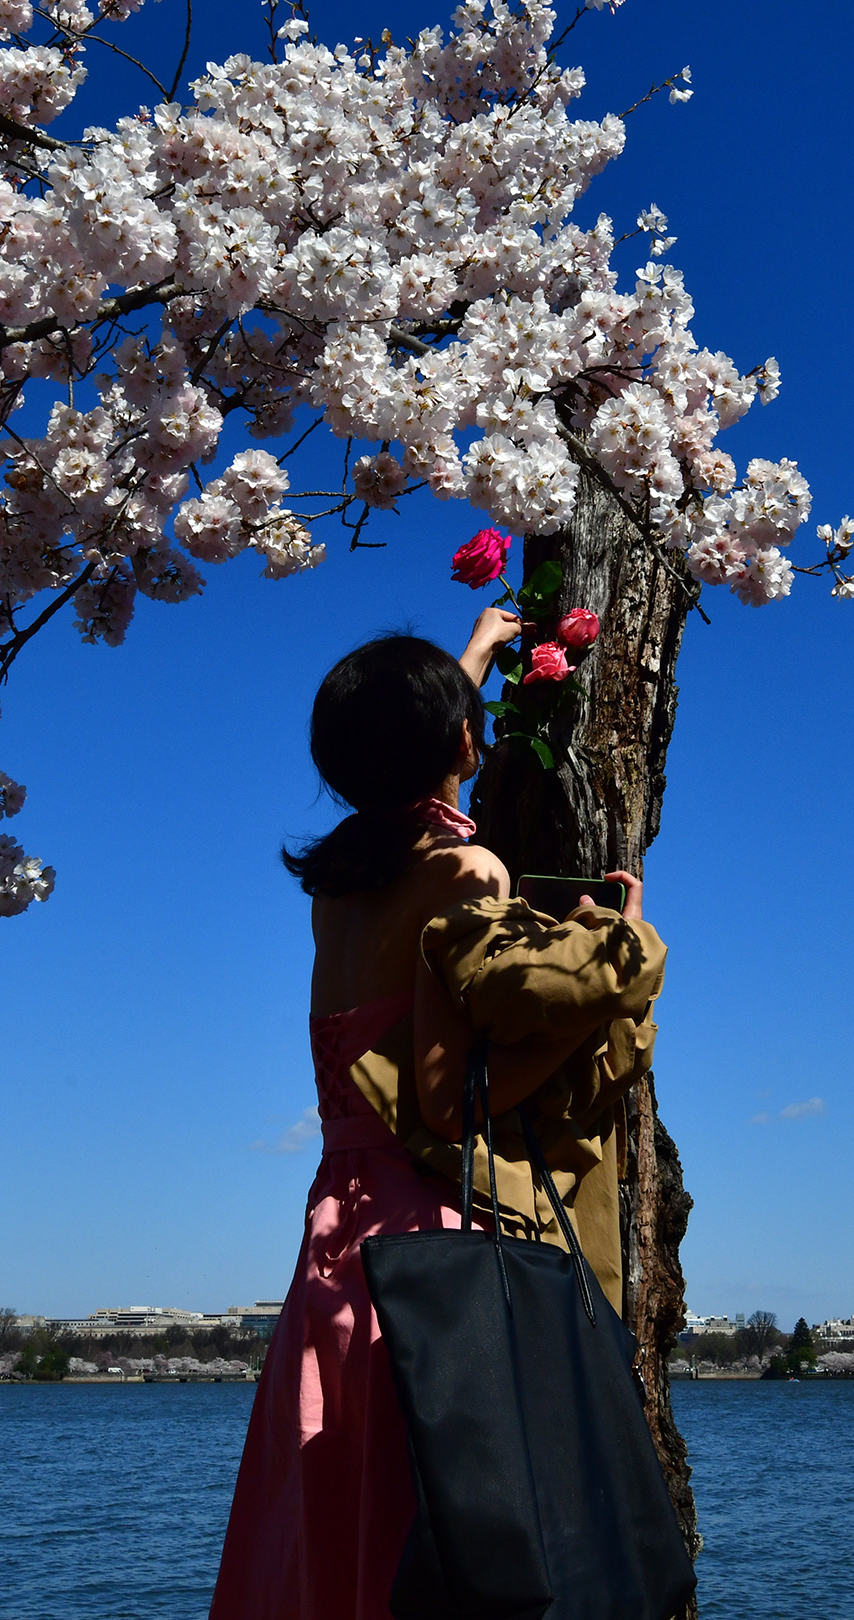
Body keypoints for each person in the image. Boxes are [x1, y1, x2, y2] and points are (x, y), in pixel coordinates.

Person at [209, 615, 670, 1620]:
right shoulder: (467, 875)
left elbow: (402, 779)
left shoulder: (341, 880)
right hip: (428, 1225)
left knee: (339, 1503)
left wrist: (472, 655)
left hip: (337, 1222)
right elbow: (446, 1097)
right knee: (453, 1515)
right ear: (464, 744)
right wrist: (613, 979)